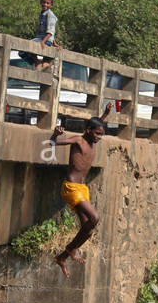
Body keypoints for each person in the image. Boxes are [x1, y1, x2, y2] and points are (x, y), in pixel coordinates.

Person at [48, 105, 112, 276]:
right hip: (71, 187)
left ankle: (61, 258)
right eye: (97, 133)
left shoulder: (92, 139)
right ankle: (71, 248)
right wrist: (55, 133)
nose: (99, 137)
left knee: (88, 229)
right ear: (88, 130)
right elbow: (53, 143)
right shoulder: (78, 140)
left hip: (83, 189)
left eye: (101, 134)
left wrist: (105, 114)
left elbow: (97, 123)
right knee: (95, 217)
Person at [33, 0, 58, 69]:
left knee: (27, 45)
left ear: (51, 5)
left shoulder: (50, 15)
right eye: (44, 2)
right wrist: (55, 43)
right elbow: (50, 30)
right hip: (43, 38)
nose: (45, 4)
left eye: (48, 3)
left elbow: (50, 32)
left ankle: (38, 63)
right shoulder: (42, 14)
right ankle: (40, 64)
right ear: (41, 2)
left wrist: (43, 42)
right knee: (45, 61)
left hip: (44, 40)